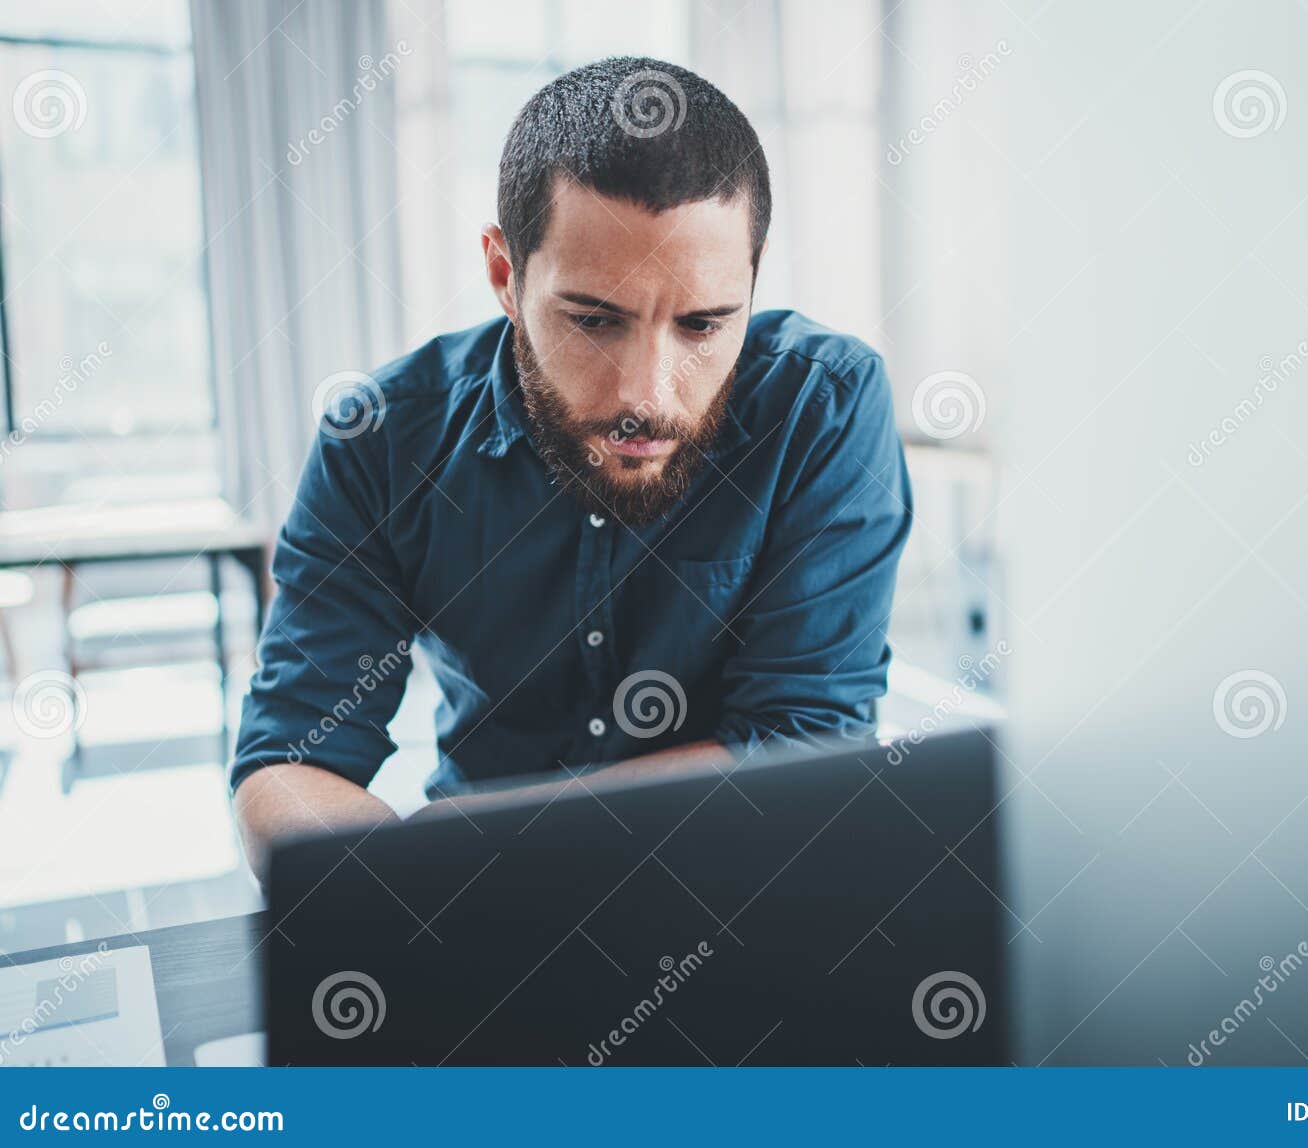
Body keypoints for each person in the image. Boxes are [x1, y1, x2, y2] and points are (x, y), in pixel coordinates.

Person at [231, 57, 912, 872]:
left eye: (702, 325)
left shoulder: (822, 405)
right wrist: (418, 902)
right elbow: (287, 761)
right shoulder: (380, 440)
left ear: (752, 280)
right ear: (504, 274)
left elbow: (806, 752)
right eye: (594, 320)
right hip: (476, 904)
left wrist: (483, 856)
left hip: (729, 885)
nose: (646, 396)